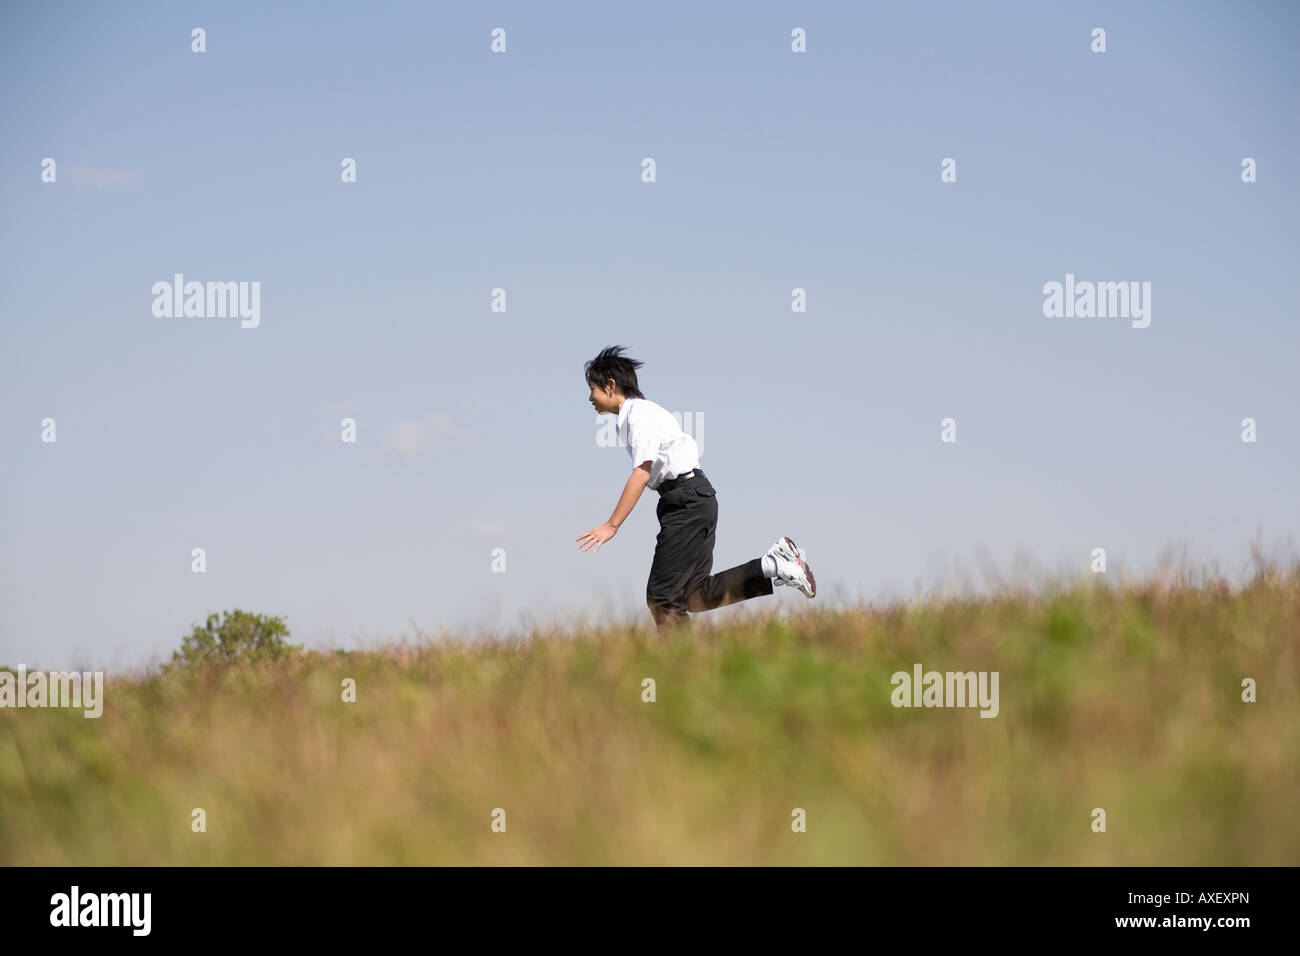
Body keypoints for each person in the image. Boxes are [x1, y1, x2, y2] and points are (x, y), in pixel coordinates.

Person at [575, 345, 816, 632]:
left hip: (687, 500)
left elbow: (641, 472)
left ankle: (682, 667)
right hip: (689, 499)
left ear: (611, 385)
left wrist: (612, 525)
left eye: (593, 388)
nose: (589, 397)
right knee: (694, 595)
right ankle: (773, 566)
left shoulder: (639, 414)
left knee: (662, 595)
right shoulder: (628, 421)